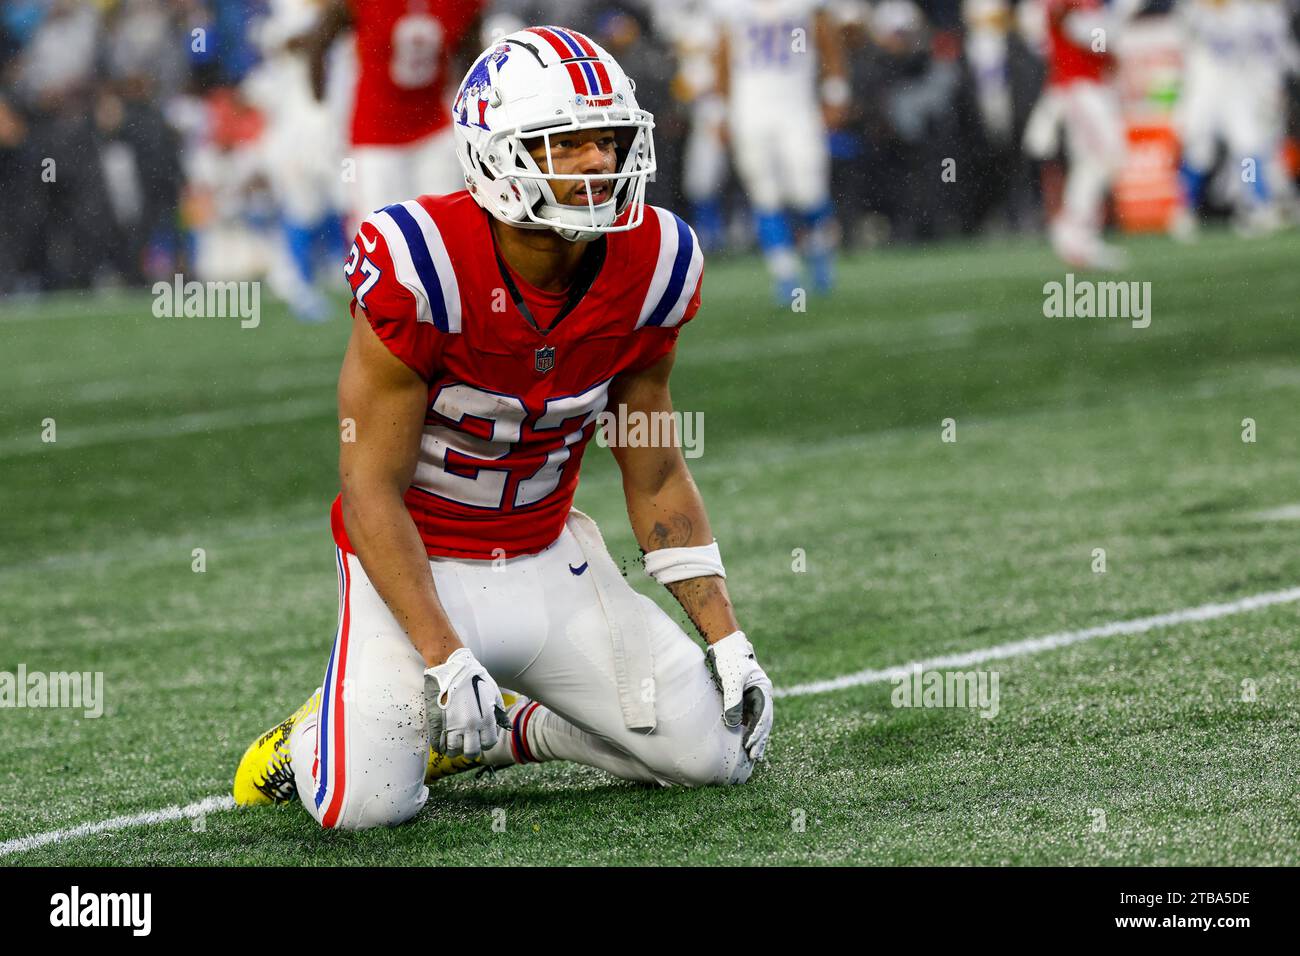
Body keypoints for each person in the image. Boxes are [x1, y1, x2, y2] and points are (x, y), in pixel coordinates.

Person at [233, 26, 774, 830]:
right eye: (568, 142)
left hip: (552, 563)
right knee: (361, 807)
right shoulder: (424, 261)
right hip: (418, 567)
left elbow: (655, 471)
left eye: (610, 139)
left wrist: (728, 639)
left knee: (724, 753)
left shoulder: (654, 259)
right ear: (496, 156)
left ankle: (514, 733)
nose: (599, 162)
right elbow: (368, 491)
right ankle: (312, 737)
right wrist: (445, 655)